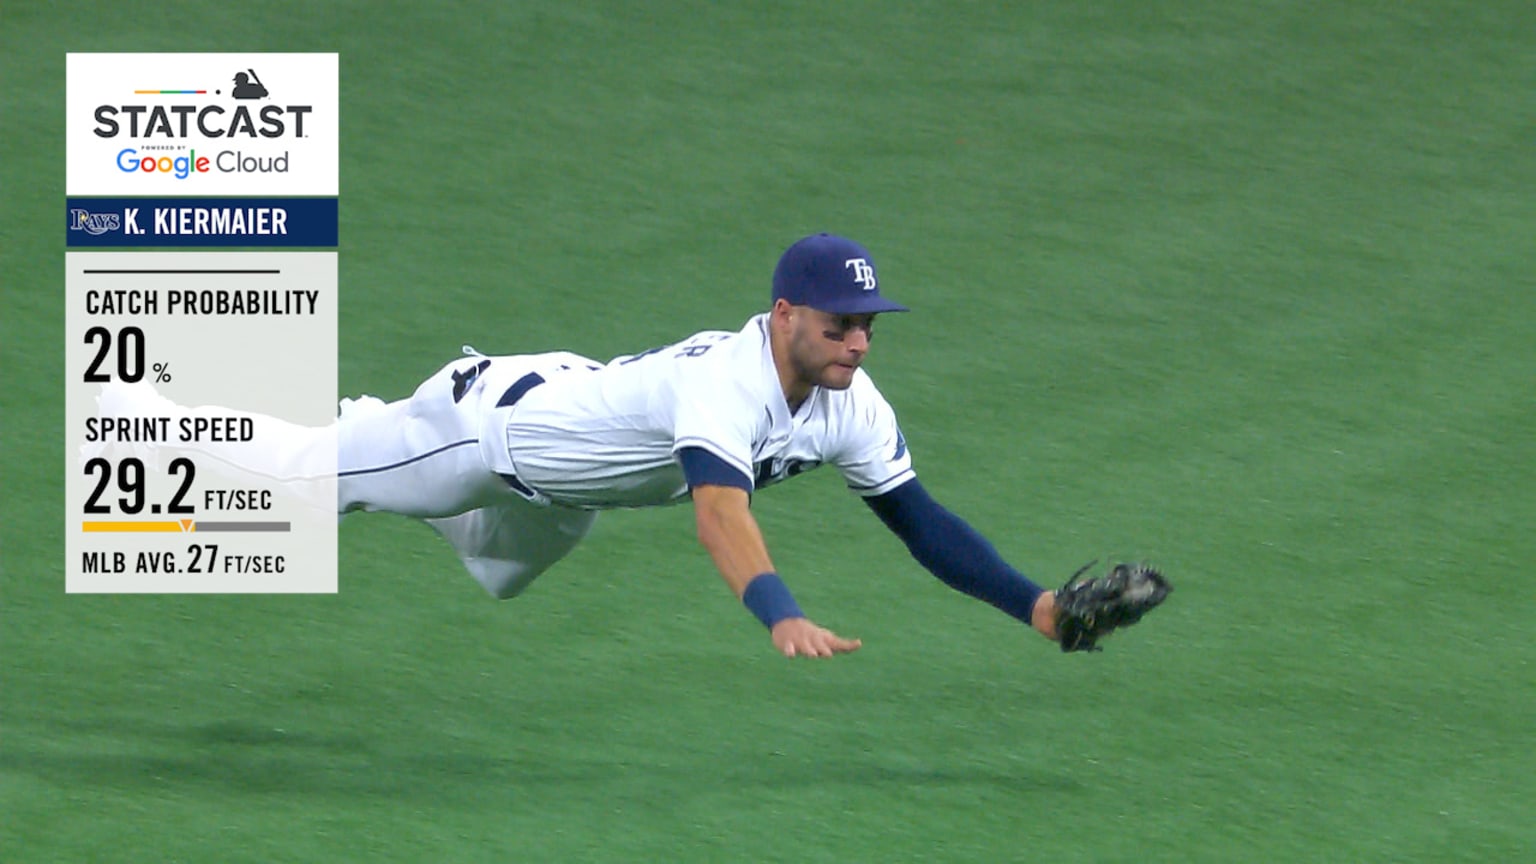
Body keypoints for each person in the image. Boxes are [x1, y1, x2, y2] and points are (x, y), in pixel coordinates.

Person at [102, 234, 1164, 657]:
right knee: (309, 480)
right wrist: (779, 612)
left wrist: (1038, 607)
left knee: (499, 574)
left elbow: (921, 522)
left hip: (562, 490)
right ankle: (150, 406)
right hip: (486, 432)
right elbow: (719, 514)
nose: (859, 340)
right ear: (785, 314)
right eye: (841, 323)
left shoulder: (852, 403)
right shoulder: (727, 382)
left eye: (869, 324)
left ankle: (370, 441)